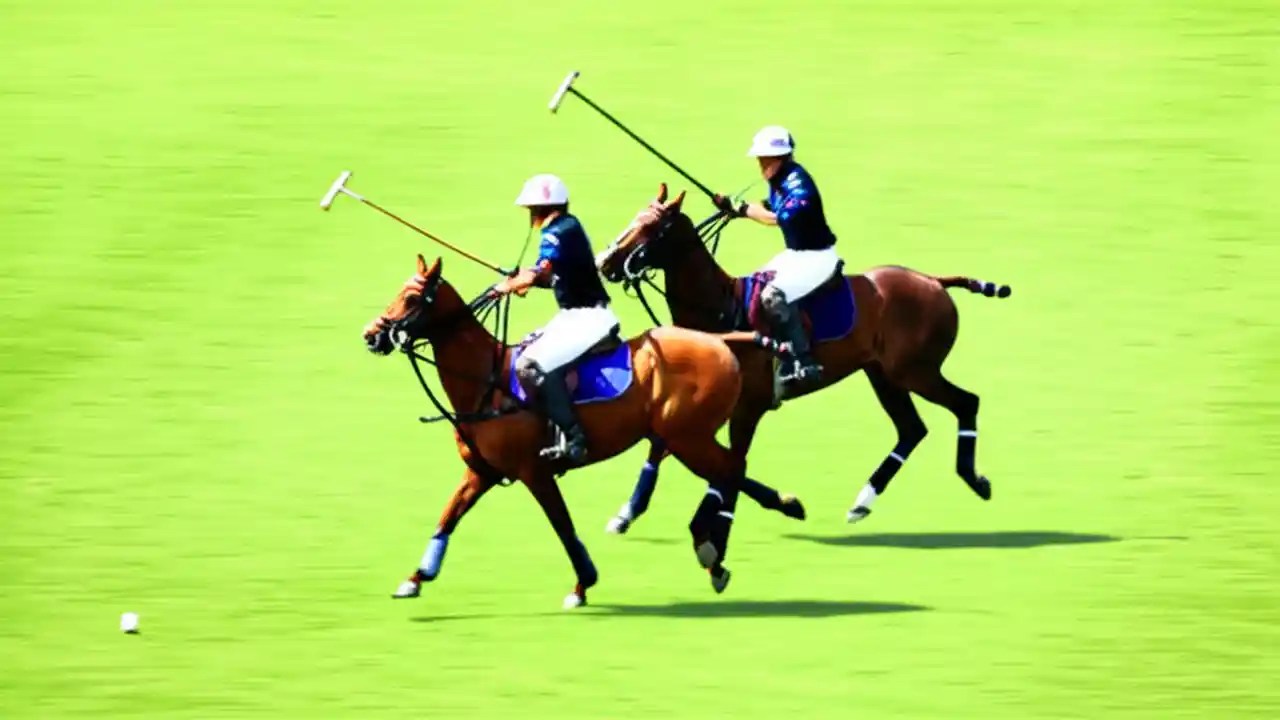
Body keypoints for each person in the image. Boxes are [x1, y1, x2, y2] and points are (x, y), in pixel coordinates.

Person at [492, 173, 618, 463]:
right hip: (573, 315)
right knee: (525, 351)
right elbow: (554, 277)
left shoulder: (557, 232)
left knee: (529, 367)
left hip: (589, 319)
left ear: (540, 208)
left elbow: (543, 269)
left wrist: (512, 284)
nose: (529, 215)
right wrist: (525, 280)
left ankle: (575, 439)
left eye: (531, 209)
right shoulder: (566, 227)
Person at [713, 125, 840, 383]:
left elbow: (776, 218)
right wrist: (734, 207)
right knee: (754, 284)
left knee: (772, 295)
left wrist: (742, 209)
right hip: (796, 254)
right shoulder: (778, 178)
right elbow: (769, 205)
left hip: (818, 256)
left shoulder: (799, 182)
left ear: (780, 158)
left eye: (764, 159)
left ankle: (803, 362)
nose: (760, 164)